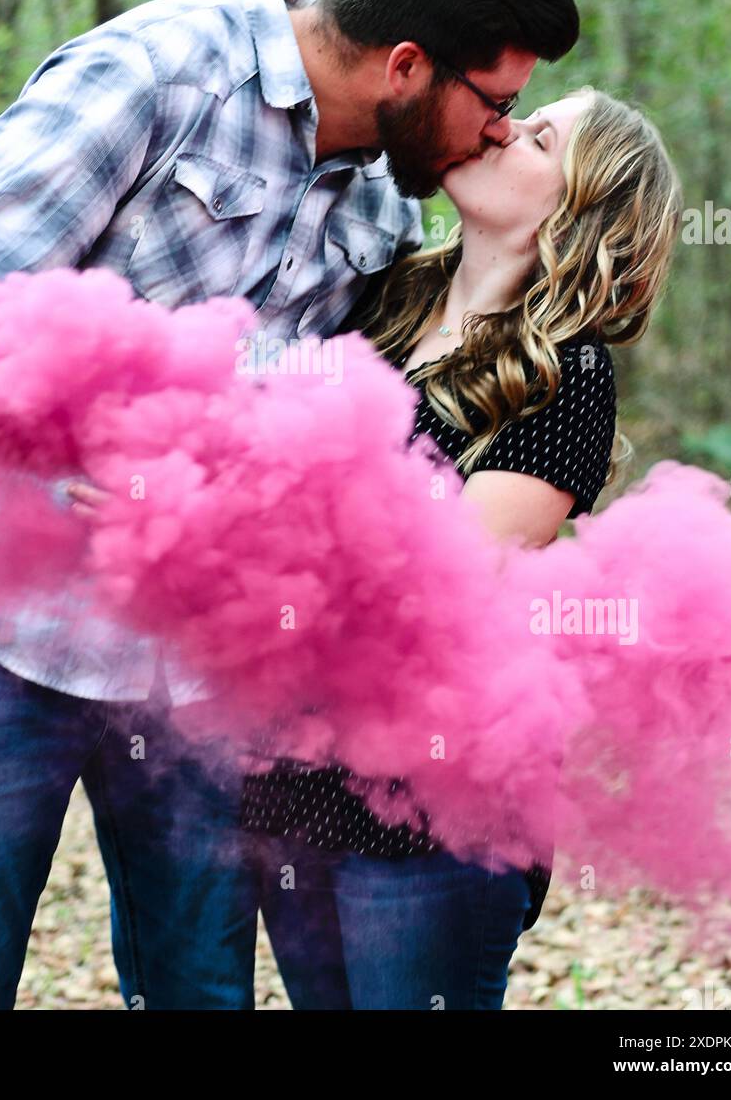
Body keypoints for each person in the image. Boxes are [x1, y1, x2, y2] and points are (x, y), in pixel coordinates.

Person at [0, 0, 580, 1008]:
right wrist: (89, 445)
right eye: (494, 103)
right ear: (407, 65)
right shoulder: (156, 74)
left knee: (201, 990)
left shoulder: (387, 215)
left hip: (196, 684)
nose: (499, 130)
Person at [240, 87, 683, 1009]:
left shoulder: (566, 372)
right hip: (293, 776)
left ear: (578, 207)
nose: (501, 126)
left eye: (539, 136)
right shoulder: (382, 296)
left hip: (434, 809)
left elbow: (434, 580)